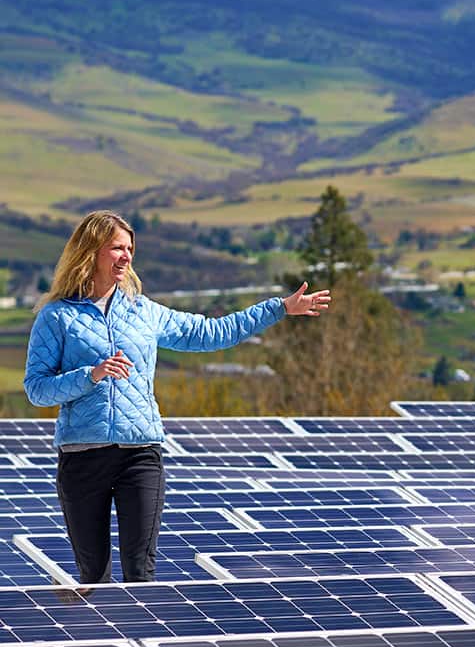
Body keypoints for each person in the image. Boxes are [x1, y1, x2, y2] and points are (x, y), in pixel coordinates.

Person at [24, 210, 330, 585]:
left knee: (141, 572)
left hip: (140, 454)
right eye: (117, 248)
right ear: (91, 251)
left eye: (130, 249)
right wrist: (91, 375)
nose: (126, 256)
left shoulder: (143, 311)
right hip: (82, 457)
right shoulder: (56, 317)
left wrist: (278, 308)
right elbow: (37, 389)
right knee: (94, 578)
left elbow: (211, 332)